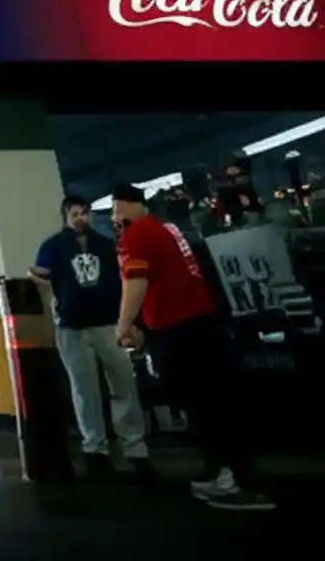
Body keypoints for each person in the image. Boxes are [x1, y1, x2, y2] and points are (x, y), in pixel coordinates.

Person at [110, 184, 274, 511]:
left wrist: (125, 324)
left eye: (116, 209)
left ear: (128, 206)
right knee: (215, 401)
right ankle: (225, 472)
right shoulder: (166, 229)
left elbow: (136, 280)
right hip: (201, 322)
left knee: (203, 404)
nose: (114, 217)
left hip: (178, 329)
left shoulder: (138, 234)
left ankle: (228, 480)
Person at [31, 195, 152, 480]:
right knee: (85, 390)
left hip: (107, 323)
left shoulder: (105, 244)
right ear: (66, 216)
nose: (81, 218)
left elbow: (123, 280)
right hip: (73, 325)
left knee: (122, 384)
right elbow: (40, 275)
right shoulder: (54, 246)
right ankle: (95, 448)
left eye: (84, 213)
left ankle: (133, 448)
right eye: (76, 214)